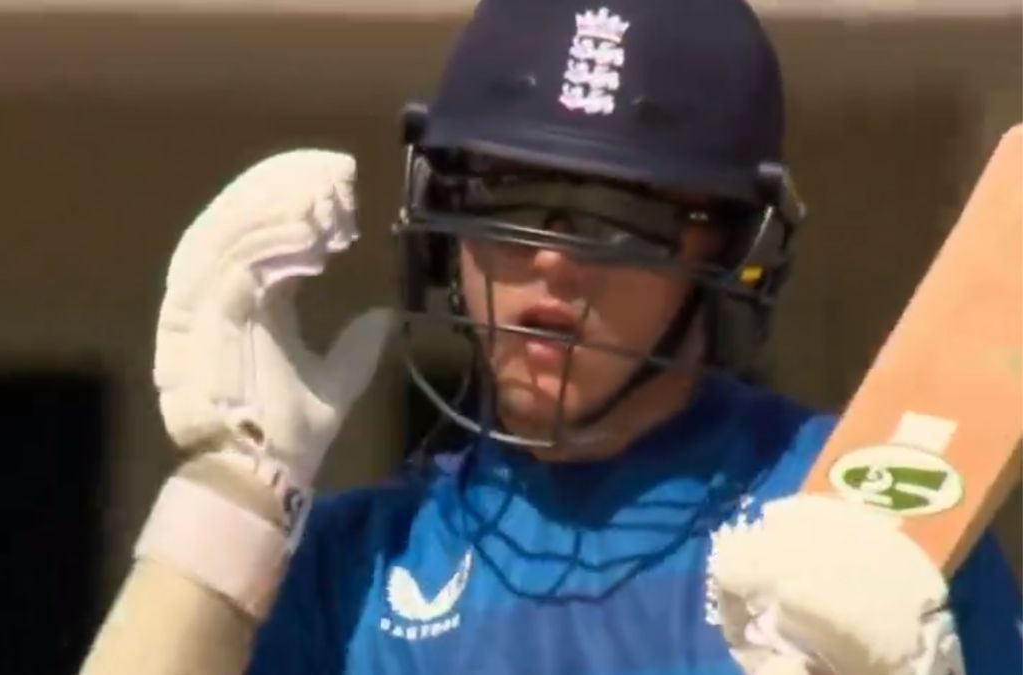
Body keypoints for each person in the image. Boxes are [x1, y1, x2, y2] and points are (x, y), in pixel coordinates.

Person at [79, 0, 1023, 673]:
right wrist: (231, 502)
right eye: (508, 196)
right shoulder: (356, 564)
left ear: (734, 243)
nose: (554, 265)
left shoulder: (856, 504)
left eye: (624, 216)